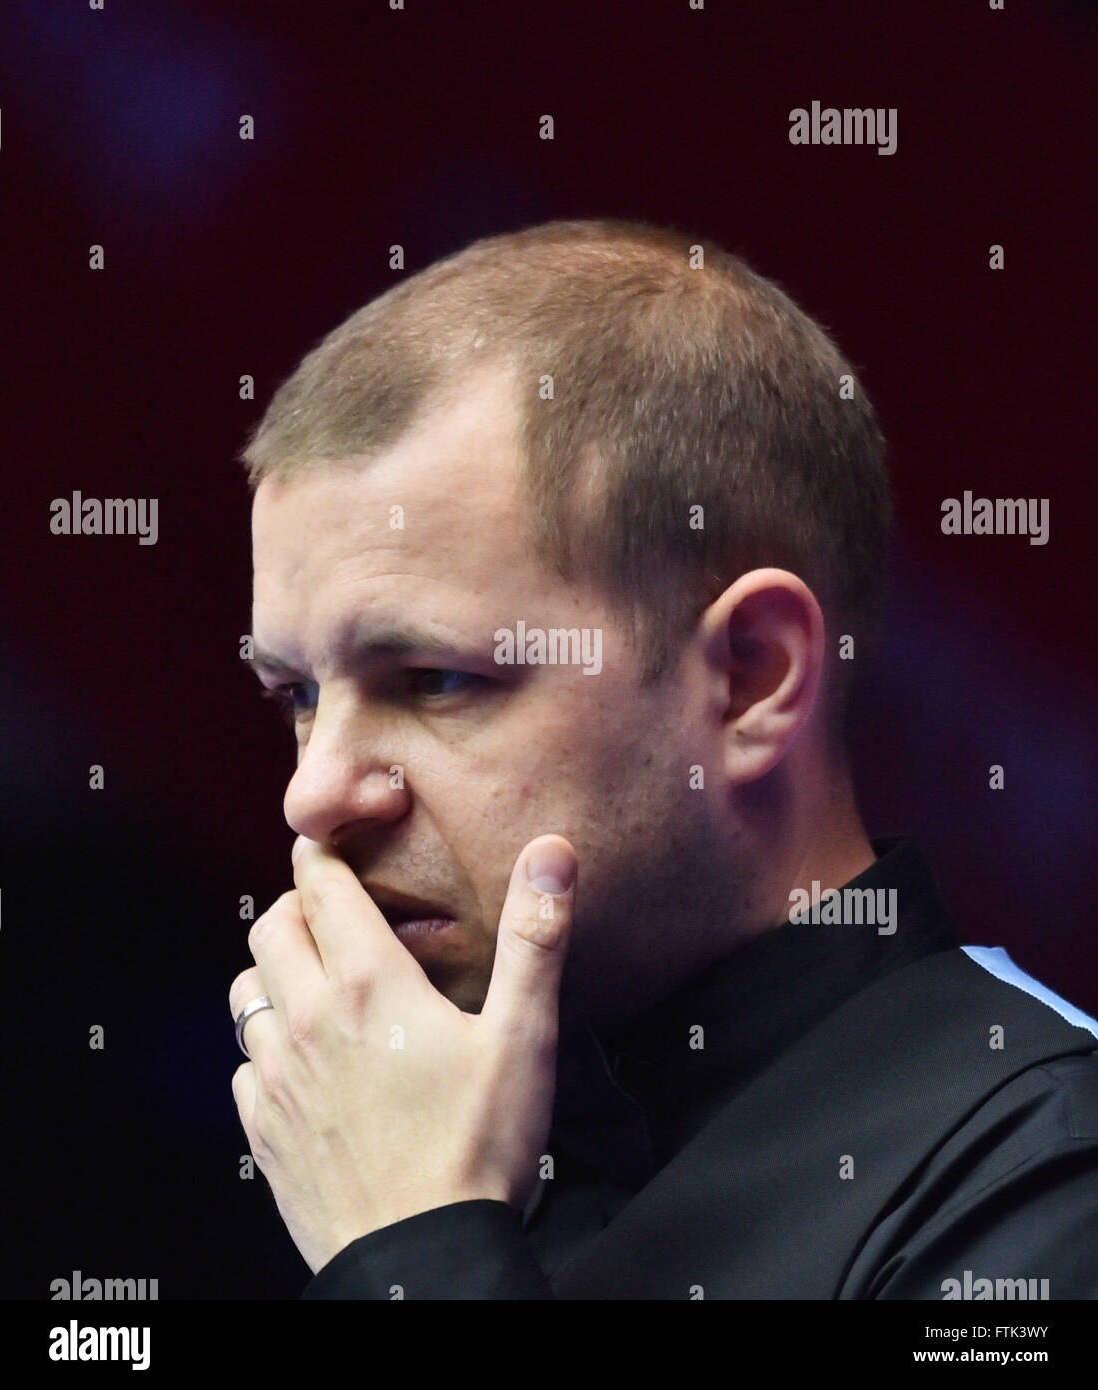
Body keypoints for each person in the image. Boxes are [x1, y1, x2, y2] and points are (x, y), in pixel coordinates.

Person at [228, 218, 1098, 1299]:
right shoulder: (374, 1148)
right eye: (298, 696)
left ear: (749, 676)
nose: (314, 793)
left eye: (434, 679)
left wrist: (413, 1253)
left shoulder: (1045, 1179)